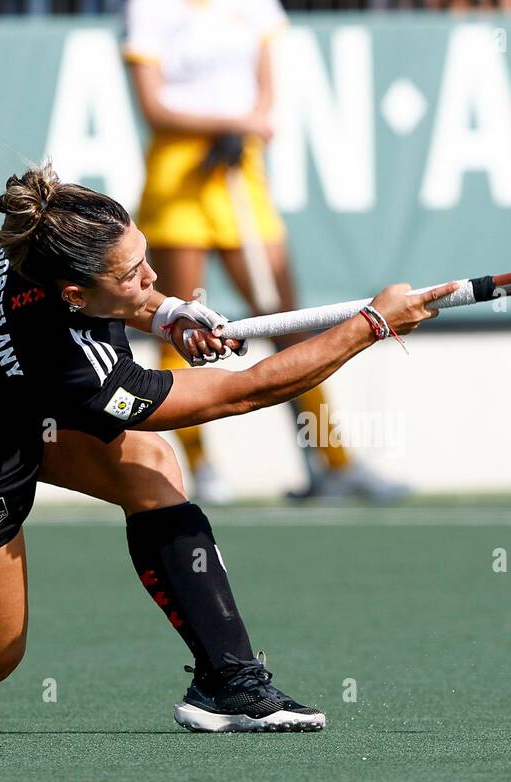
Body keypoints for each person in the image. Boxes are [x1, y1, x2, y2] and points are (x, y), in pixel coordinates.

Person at [0, 165, 457, 737]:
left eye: (145, 258)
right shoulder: (64, 360)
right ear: (77, 295)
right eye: (136, 275)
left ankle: (230, 683)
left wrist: (161, 310)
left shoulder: (47, 235)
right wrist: (371, 325)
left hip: (8, 410)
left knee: (154, 473)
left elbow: (118, 305)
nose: (153, 274)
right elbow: (242, 392)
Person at [124, 0, 406, 504]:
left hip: (239, 169)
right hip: (180, 174)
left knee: (284, 319)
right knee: (180, 317)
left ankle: (332, 460)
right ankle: (199, 466)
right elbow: (153, 105)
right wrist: (226, 123)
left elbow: (267, 91)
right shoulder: (148, 7)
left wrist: (244, 127)